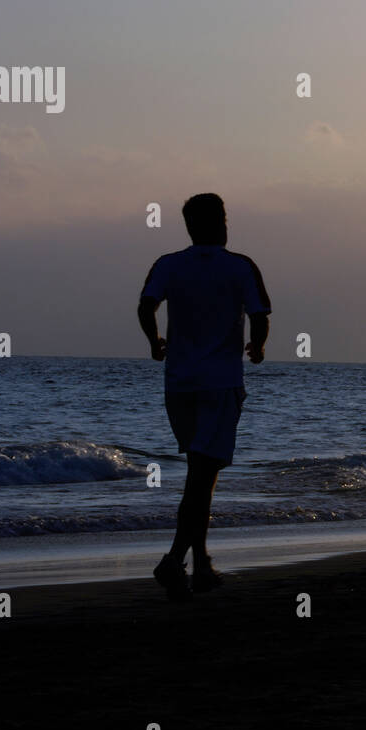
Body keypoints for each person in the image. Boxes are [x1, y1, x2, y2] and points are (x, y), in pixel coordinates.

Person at [137, 194, 271, 599]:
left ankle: (202, 564)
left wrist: (154, 342)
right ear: (220, 223)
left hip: (178, 384)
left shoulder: (167, 264)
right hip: (219, 382)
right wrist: (258, 347)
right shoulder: (241, 265)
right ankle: (176, 559)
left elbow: (146, 306)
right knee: (201, 477)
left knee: (200, 472)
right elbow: (260, 315)